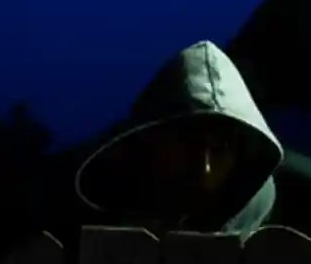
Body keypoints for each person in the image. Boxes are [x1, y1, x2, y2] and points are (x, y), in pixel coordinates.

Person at [74, 40, 283, 236]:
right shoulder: (91, 243)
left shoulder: (265, 250)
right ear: (152, 141)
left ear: (242, 154)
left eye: (221, 148)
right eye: (190, 144)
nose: (205, 167)